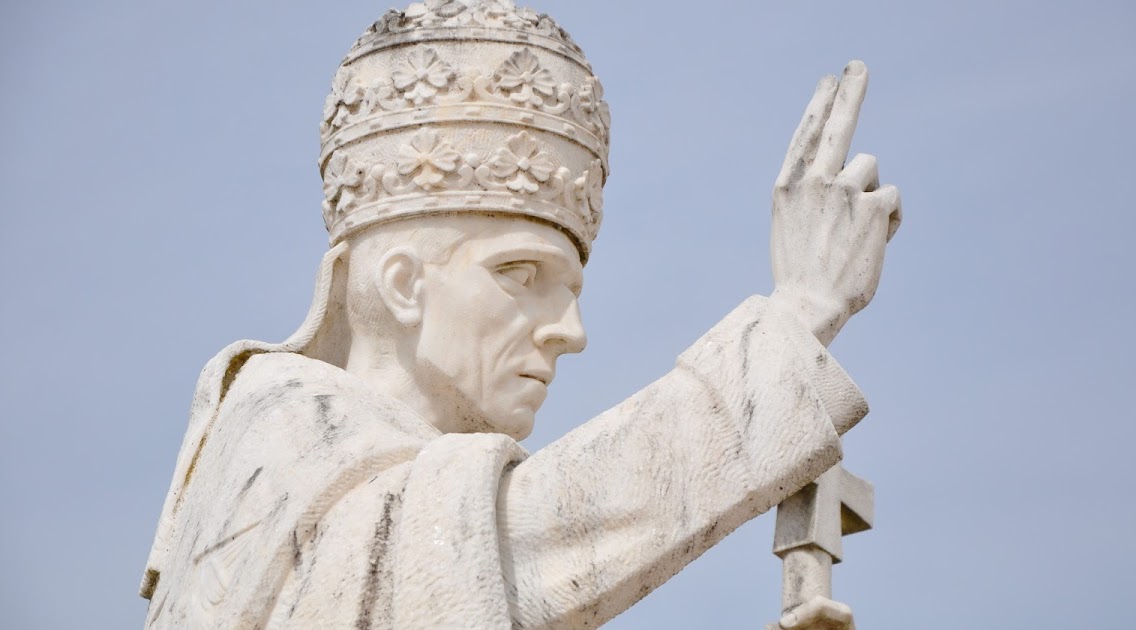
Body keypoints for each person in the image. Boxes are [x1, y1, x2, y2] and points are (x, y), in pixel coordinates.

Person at [140, 2, 901, 628]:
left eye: (571, 289)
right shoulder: (289, 426)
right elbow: (513, 537)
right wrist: (799, 314)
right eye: (521, 274)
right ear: (403, 284)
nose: (570, 331)